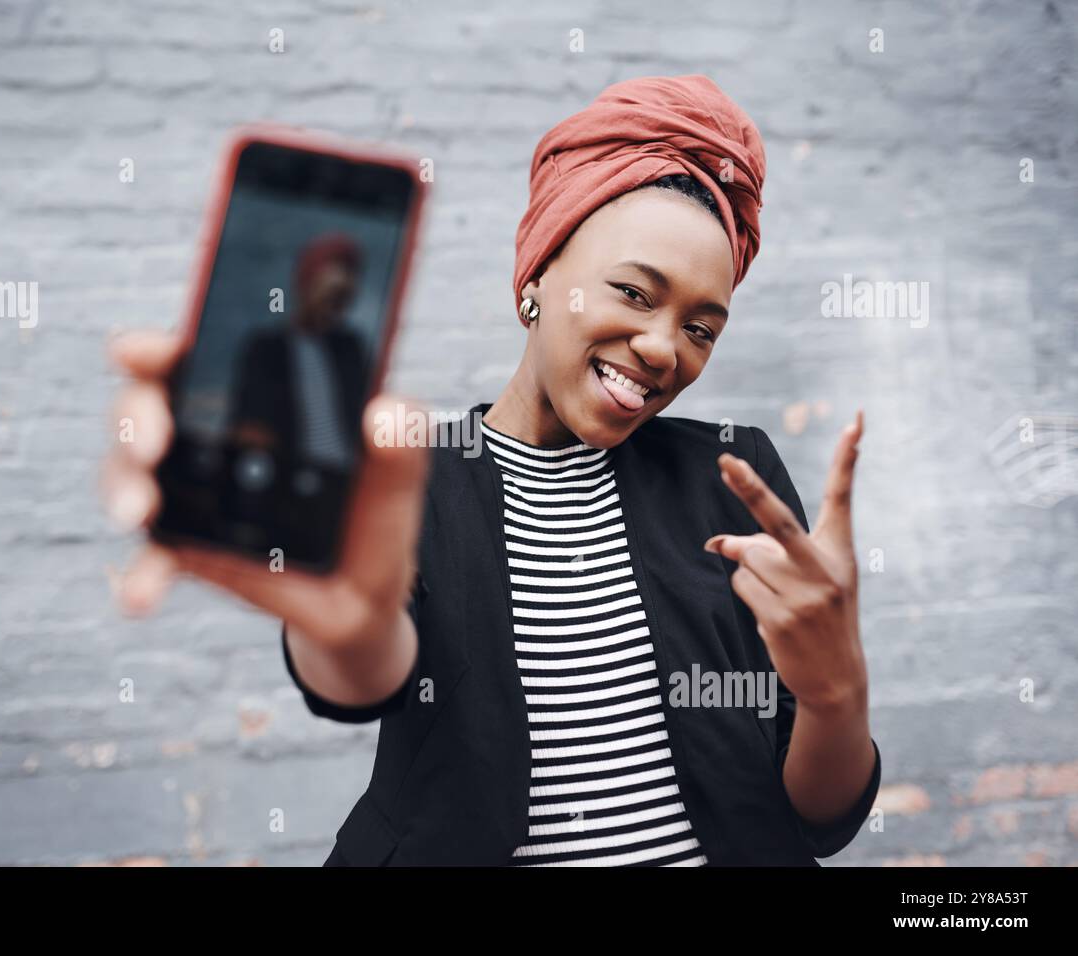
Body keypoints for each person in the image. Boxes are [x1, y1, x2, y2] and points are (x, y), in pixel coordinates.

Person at [100, 74, 881, 866]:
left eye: (701, 329)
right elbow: (362, 672)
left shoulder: (734, 475)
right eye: (633, 292)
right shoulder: (411, 481)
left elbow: (822, 819)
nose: (662, 347)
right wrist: (351, 629)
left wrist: (834, 692)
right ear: (538, 276)